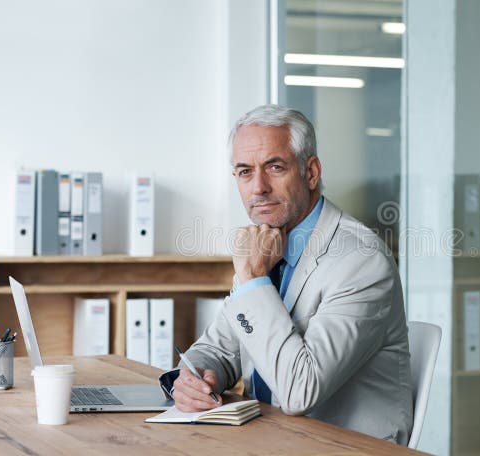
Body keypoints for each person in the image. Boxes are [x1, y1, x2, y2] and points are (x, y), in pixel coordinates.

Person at [160, 104, 413, 445]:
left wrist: (252, 279)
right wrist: (194, 378)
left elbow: (299, 392)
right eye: (245, 172)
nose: (258, 187)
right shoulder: (266, 246)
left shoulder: (361, 262)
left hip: (344, 448)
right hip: (271, 439)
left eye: (274, 167)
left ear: (311, 172)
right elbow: (221, 348)